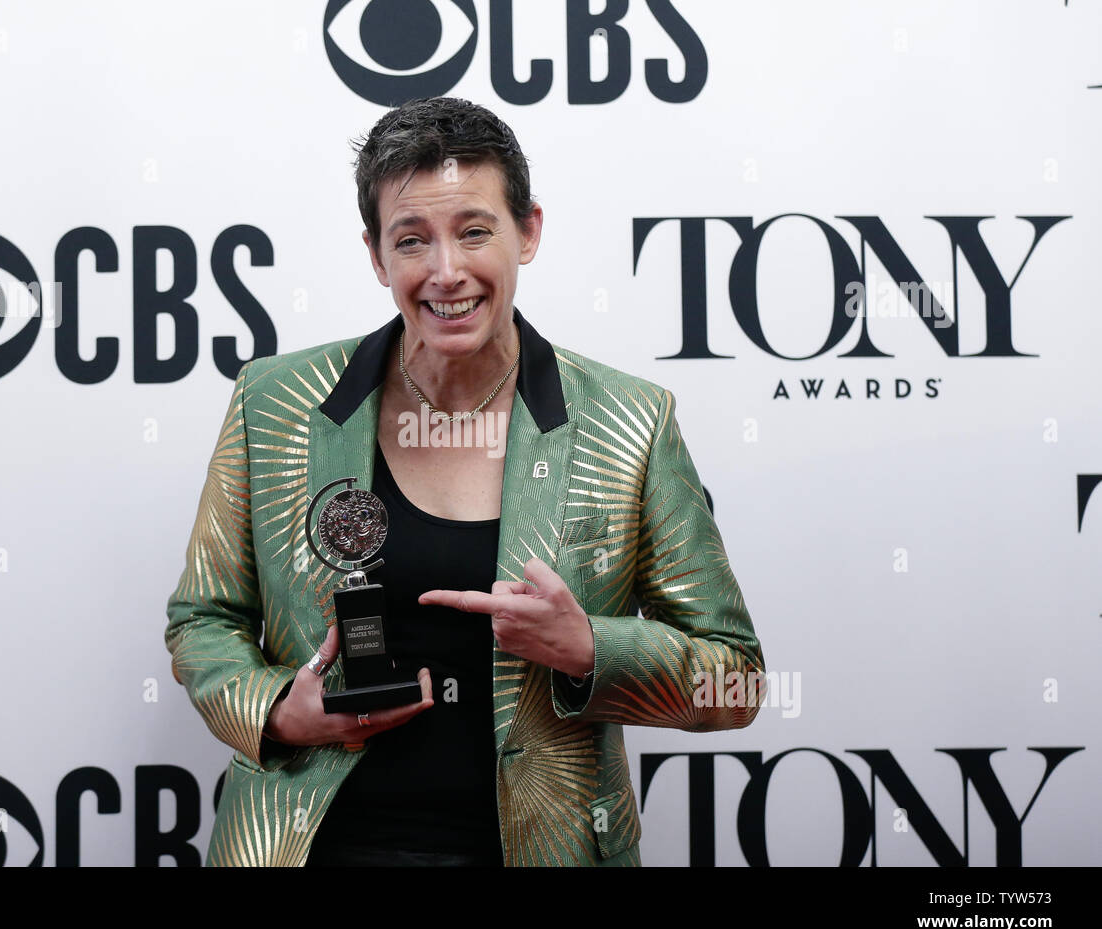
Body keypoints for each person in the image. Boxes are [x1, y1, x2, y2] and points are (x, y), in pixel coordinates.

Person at [164, 97, 764, 867]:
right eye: (412, 240)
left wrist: (590, 648)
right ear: (378, 257)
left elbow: (736, 681)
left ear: (529, 232)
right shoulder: (275, 401)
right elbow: (202, 619)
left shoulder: (630, 420)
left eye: (475, 231)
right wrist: (278, 710)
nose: (446, 272)